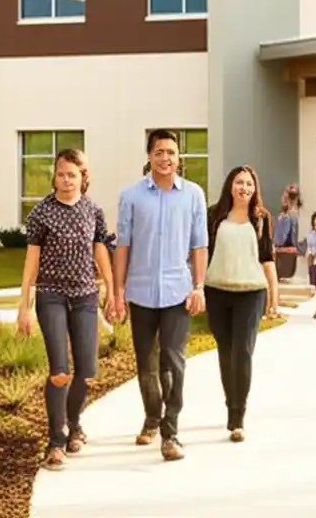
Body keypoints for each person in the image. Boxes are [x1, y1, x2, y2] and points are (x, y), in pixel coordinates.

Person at [107, 129, 208, 461]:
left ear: (179, 157)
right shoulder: (131, 196)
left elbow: (199, 245)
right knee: (146, 362)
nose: (166, 158)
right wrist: (118, 292)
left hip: (178, 290)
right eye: (159, 152)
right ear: (149, 156)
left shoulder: (193, 195)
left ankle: (170, 430)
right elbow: (123, 246)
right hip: (140, 291)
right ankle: (152, 415)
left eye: (171, 152)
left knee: (174, 361)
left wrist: (199, 286)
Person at [15, 148, 112, 471]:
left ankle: (75, 425)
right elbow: (31, 261)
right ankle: (56, 440)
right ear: (54, 176)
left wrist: (111, 290)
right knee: (60, 371)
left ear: (83, 176)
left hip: (85, 296)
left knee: (86, 370)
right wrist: (23, 305)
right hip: (51, 296)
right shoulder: (41, 213)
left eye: (73, 174)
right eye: (61, 174)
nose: (66, 180)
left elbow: (100, 254)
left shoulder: (93, 211)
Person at [204, 164, 280, 443]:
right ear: (230, 185)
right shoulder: (214, 216)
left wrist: (274, 293)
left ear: (255, 188)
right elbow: (202, 253)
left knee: (243, 351)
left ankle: (238, 416)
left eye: (249, 183)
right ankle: (230, 405)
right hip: (217, 291)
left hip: (251, 292)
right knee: (225, 351)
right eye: (239, 182)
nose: (244, 188)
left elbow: (267, 257)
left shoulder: (260, 218)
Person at [273, 185, 301, 284]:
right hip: (289, 256)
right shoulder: (295, 215)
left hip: (281, 256)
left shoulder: (285, 217)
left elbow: (279, 239)